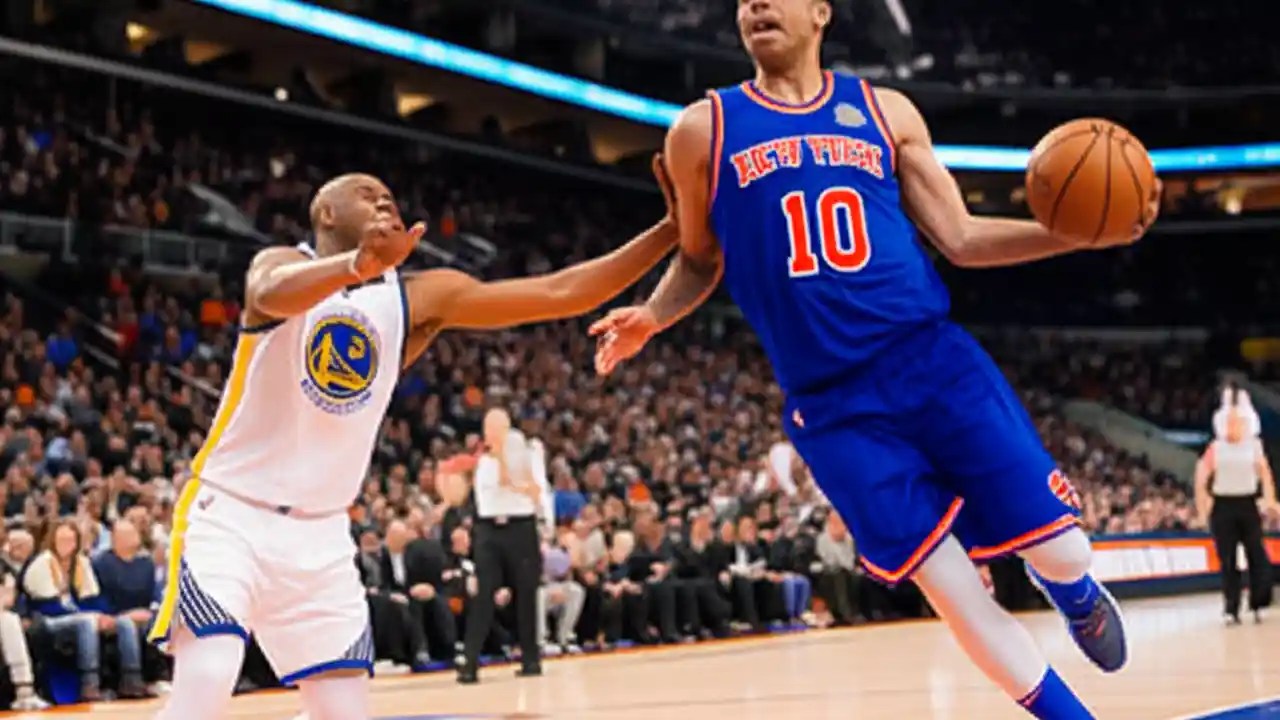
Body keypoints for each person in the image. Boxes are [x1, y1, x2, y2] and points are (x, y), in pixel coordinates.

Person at [589, 1, 1163, 716]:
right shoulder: (701, 130)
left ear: (822, 11)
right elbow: (700, 262)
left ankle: (1075, 590)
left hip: (932, 362)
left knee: (1065, 550)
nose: (757, 5)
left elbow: (959, 237)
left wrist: (1078, 237)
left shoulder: (886, 111)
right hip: (832, 406)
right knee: (948, 585)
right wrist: (653, 313)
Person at [149, 168, 677, 720]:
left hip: (321, 534)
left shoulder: (415, 298)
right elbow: (269, 295)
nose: (384, 204)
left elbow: (562, 291)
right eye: (367, 195)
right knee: (208, 677)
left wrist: (668, 230)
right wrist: (358, 265)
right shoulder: (283, 264)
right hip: (232, 512)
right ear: (326, 213)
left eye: (391, 199)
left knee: (343, 715)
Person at [459, 409, 544, 684]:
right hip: (488, 529)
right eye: (487, 427)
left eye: (495, 427)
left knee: (525, 592)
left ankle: (531, 658)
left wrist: (503, 458)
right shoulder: (481, 458)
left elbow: (528, 488)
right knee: (483, 594)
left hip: (520, 526)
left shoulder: (526, 450)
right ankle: (470, 662)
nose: (490, 433)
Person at [23, 519, 148, 700]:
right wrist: (90, 615)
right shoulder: (42, 564)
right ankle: (90, 683)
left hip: (80, 614)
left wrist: (104, 616)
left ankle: (132, 679)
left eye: (70, 541)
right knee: (86, 622)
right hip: (48, 619)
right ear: (53, 541)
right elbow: (48, 605)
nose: (66, 545)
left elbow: (93, 599)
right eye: (62, 540)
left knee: (124, 622)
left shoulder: (82, 563)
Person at [1195, 387, 1276, 624]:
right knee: (1227, 559)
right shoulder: (1216, 448)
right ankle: (1232, 608)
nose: (1234, 425)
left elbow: (1265, 474)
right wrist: (1203, 510)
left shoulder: (1254, 446)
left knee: (1256, 554)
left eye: (1238, 421)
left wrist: (1270, 501)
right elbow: (1201, 478)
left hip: (1248, 504)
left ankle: (1259, 602)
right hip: (1223, 506)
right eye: (1229, 421)